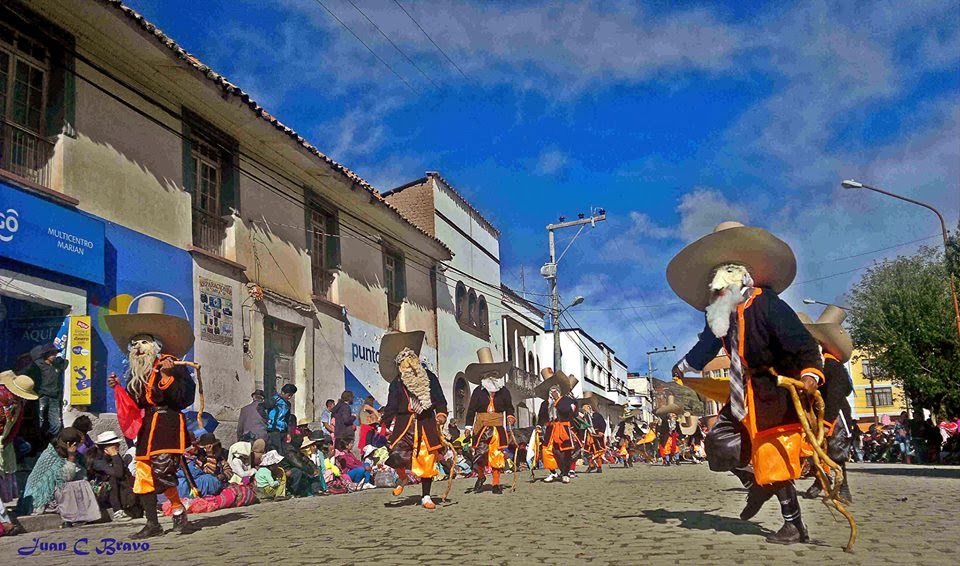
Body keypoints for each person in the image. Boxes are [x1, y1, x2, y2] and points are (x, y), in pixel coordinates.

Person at [668, 221, 823, 544]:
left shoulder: (766, 305)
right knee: (718, 445)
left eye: (721, 285)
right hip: (742, 397)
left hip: (771, 395)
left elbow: (802, 343)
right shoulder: (721, 315)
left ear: (738, 280)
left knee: (772, 459)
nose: (716, 292)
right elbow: (706, 347)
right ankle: (756, 484)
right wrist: (682, 367)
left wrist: (810, 372)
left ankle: (794, 525)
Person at [106, 296, 197, 539]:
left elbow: (183, 399)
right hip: (147, 428)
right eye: (134, 343)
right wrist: (119, 389)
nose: (137, 347)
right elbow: (137, 404)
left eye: (143, 342)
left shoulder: (174, 366)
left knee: (163, 471)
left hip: (167, 425)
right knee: (143, 472)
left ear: (155, 344)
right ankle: (152, 523)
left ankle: (179, 513)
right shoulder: (136, 374)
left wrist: (169, 378)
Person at [378, 331, 448, 510]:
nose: (410, 365)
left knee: (426, 460)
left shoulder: (429, 377)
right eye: (405, 361)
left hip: (426, 422)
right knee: (395, 454)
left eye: (412, 360)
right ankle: (403, 477)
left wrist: (441, 414)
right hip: (405, 424)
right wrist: (383, 420)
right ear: (400, 365)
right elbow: (391, 405)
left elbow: (440, 399)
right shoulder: (397, 382)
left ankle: (426, 496)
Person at [797, 307, 855, 502]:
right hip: (814, 412)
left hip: (835, 413)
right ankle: (820, 481)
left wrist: (828, 421)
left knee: (835, 448)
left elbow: (838, 393)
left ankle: (843, 485)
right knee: (816, 448)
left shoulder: (832, 364)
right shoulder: (808, 364)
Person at [17, 428, 101, 526]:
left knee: (83, 484)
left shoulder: (75, 456)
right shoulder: (50, 456)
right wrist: (71, 457)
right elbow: (65, 478)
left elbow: (81, 474)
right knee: (73, 487)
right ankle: (74, 516)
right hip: (43, 497)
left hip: (58, 492)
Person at [463, 348, 514, 495]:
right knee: (479, 454)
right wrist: (467, 426)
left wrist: (510, 416)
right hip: (481, 425)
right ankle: (480, 476)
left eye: (494, 373)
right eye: (489, 374)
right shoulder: (478, 392)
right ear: (483, 376)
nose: (492, 377)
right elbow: (471, 410)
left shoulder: (504, 391)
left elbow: (510, 407)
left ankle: (496, 483)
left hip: (497, 425)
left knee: (496, 454)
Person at [1, 371, 37, 516]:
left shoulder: (16, 403)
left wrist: (7, 439)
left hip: (5, 440)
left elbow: (13, 427)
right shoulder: (4, 400)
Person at [87, 431, 141, 522]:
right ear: (105, 448)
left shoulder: (114, 456)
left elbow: (124, 472)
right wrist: (115, 455)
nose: (118, 447)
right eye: (115, 445)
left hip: (119, 490)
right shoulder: (98, 460)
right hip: (101, 491)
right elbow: (117, 473)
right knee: (112, 478)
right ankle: (117, 511)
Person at [535, 368, 578, 484]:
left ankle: (565, 473)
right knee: (546, 450)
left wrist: (557, 400)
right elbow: (542, 417)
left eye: (555, 389)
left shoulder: (567, 401)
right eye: (551, 389)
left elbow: (568, 411)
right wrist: (539, 425)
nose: (552, 392)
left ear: (559, 390)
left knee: (564, 452)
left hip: (563, 428)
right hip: (550, 429)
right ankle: (553, 472)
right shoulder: (545, 404)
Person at [24, 344, 66, 441]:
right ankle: (38, 442)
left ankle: (52, 441)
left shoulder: (57, 365)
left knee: (56, 422)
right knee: (40, 420)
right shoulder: (38, 365)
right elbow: (25, 373)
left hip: (54, 397)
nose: (55, 356)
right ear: (46, 354)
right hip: (41, 396)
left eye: (55, 354)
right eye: (52, 354)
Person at [178, 433, 228, 498]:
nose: (197, 447)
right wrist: (210, 454)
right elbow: (208, 471)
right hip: (184, 488)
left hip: (210, 483)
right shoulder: (184, 459)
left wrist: (224, 476)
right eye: (193, 445)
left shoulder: (196, 457)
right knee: (209, 480)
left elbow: (227, 469)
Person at [262, 384, 298, 453]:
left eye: (291, 395)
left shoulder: (288, 404)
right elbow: (261, 408)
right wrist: (267, 419)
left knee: (283, 452)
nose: (289, 397)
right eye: (288, 395)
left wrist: (288, 433)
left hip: (283, 431)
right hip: (273, 430)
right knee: (276, 452)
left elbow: (287, 419)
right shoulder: (274, 400)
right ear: (282, 393)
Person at [582, 403, 607, 473]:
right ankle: (591, 465)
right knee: (587, 453)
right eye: (584, 410)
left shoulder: (597, 416)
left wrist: (601, 431)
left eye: (586, 410)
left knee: (598, 452)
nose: (585, 412)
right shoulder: (584, 418)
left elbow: (603, 424)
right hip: (588, 436)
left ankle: (599, 467)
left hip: (597, 436)